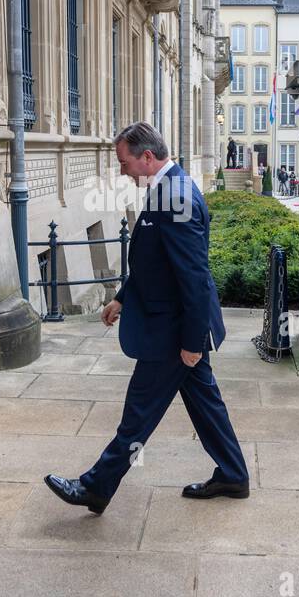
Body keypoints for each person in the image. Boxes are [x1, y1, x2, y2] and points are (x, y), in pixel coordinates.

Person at [45, 122, 249, 514]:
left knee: (138, 414)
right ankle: (234, 474)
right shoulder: (167, 190)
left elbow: (191, 277)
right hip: (172, 324)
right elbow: (156, 263)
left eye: (124, 162)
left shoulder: (176, 197)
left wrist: (191, 343)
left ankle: (95, 486)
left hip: (173, 332)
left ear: (147, 158)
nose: (122, 170)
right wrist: (122, 298)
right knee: (206, 404)